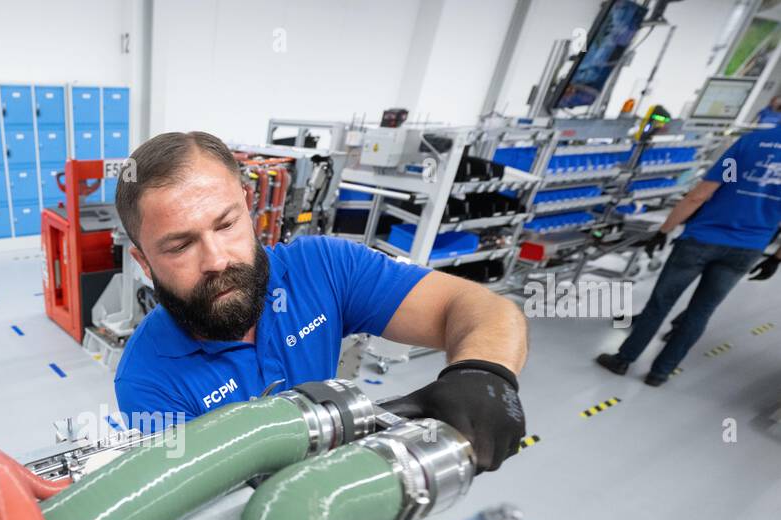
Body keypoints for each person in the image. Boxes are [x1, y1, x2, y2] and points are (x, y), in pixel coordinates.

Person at [111, 131, 528, 473]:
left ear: (247, 205)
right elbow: (206, 503)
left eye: (226, 224)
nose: (217, 260)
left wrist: (482, 375)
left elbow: (482, 309)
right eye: (181, 246)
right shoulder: (149, 379)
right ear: (144, 262)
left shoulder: (324, 266)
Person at [596, 127, 781, 386]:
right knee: (700, 312)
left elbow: (701, 194)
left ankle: (623, 359)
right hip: (748, 247)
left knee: (661, 302)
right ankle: (660, 373)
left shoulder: (751, 142)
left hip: (702, 238)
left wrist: (664, 230)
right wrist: (776, 259)